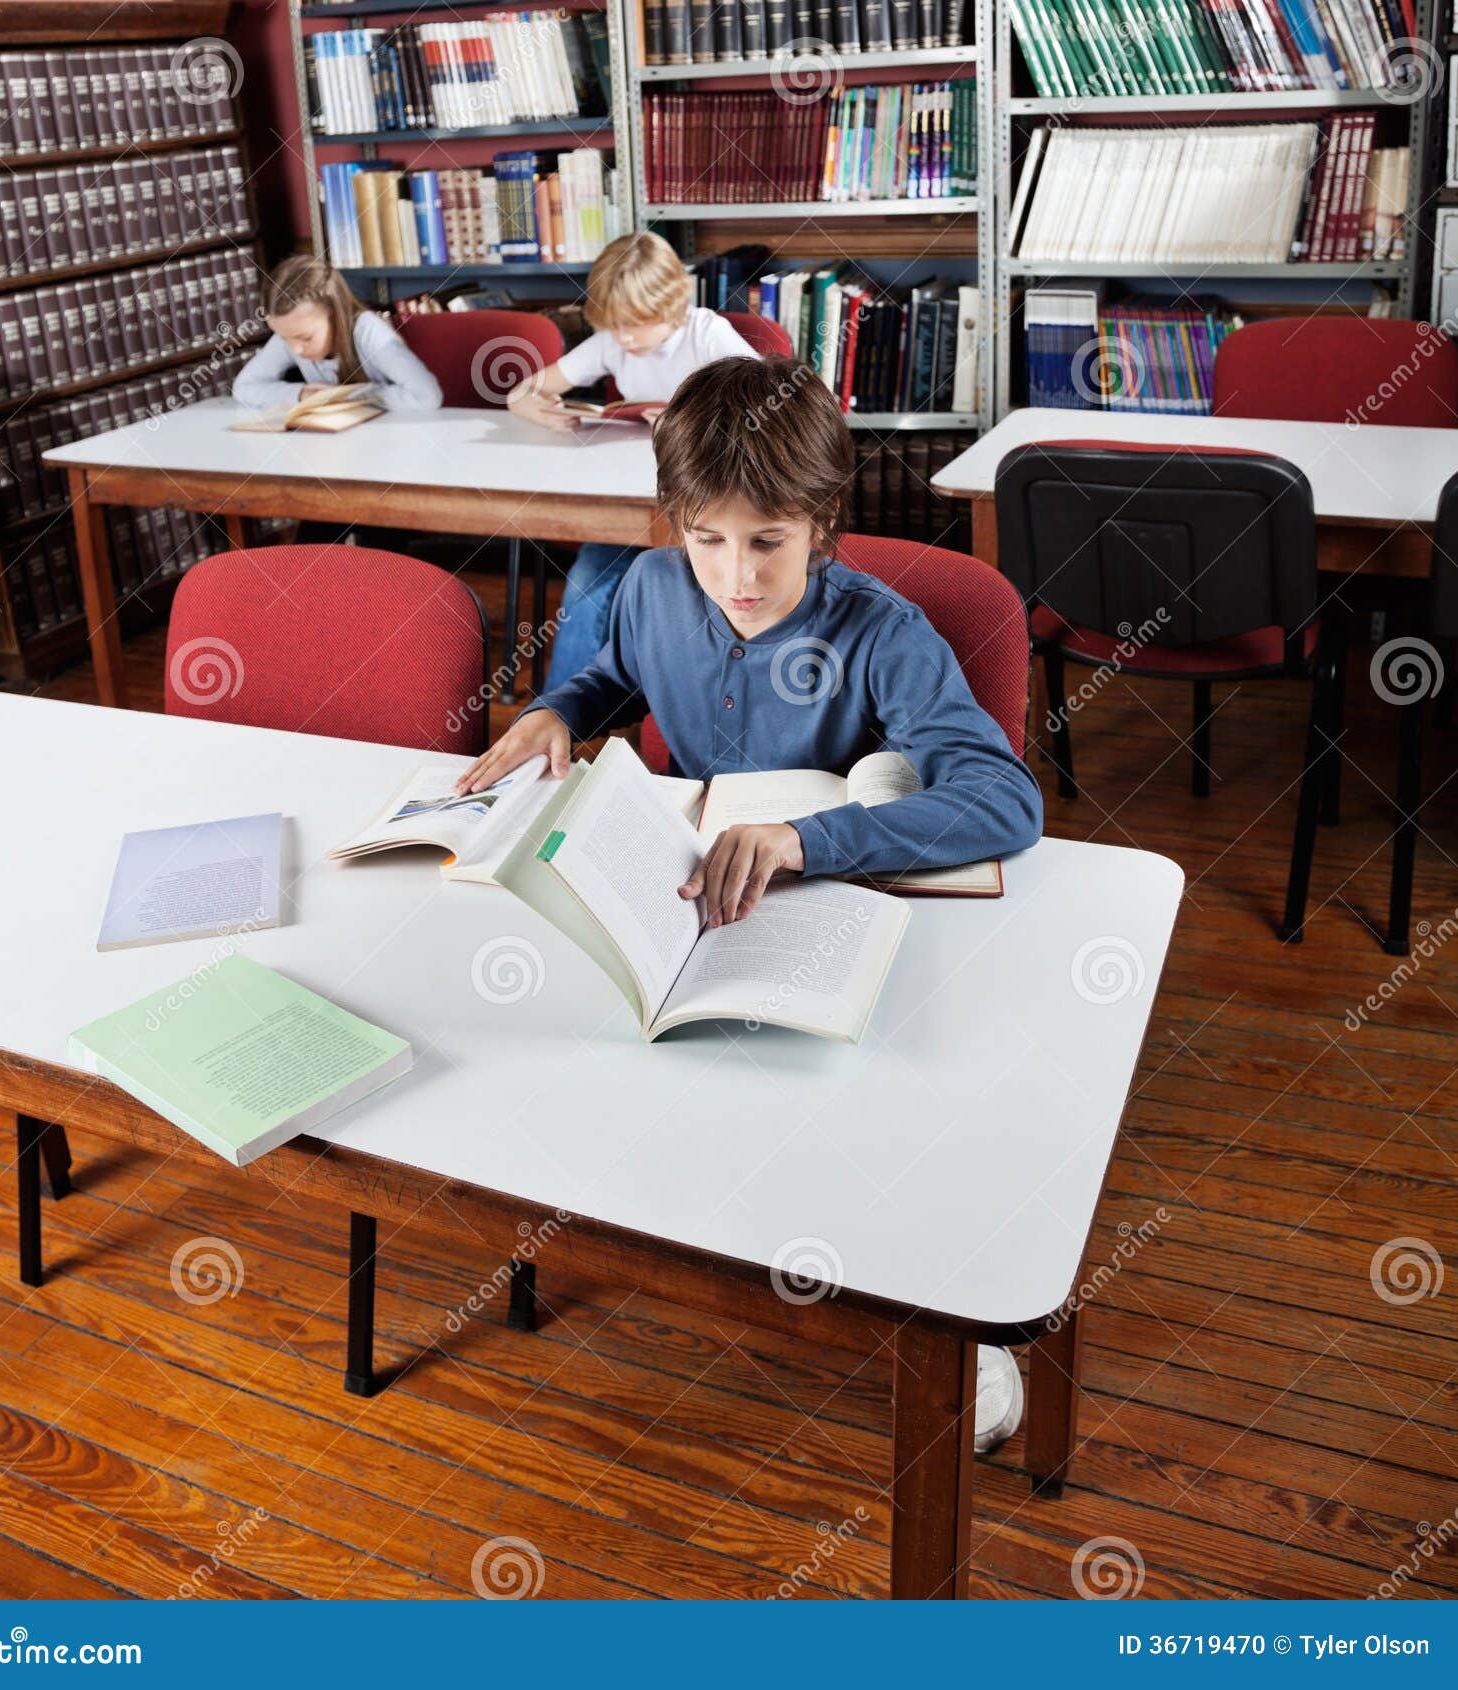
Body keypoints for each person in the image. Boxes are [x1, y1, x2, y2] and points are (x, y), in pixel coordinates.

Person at [461, 354, 1043, 1454]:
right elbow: (609, 676)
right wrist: (553, 708)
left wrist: (804, 841)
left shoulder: (884, 633)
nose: (735, 574)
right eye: (707, 538)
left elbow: (1005, 801)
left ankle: (963, 1319)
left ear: (824, 523)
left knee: (895, 1096)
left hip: (834, 915)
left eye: (767, 542)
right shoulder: (648, 588)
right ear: (675, 521)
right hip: (689, 904)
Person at [507, 232, 760, 689]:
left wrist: (687, 423)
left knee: (658, 586)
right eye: (615, 324)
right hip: (635, 496)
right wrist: (528, 404)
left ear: (670, 304)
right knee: (588, 579)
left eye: (637, 323)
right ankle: (558, 715)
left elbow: (764, 410)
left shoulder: (706, 333)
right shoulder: (613, 341)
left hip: (712, 501)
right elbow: (523, 390)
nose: (624, 337)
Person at [233, 255, 443, 415]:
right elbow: (243, 387)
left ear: (333, 316)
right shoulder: (291, 333)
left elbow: (428, 396)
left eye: (306, 338)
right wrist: (301, 394)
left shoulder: (368, 331)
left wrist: (347, 397)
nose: (295, 349)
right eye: (285, 338)